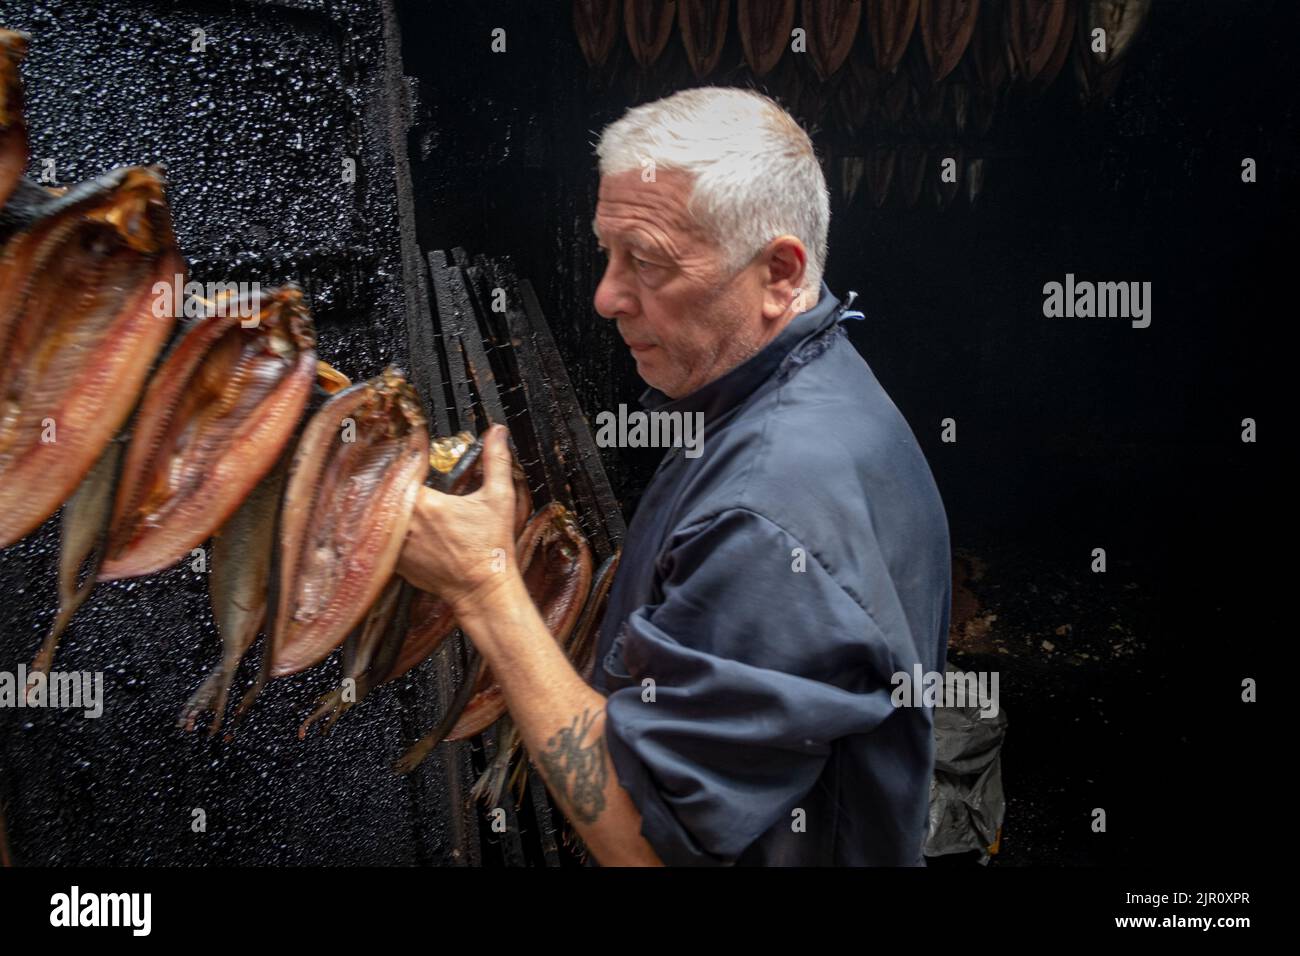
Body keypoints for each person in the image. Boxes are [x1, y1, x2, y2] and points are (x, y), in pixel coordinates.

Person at [397, 87, 951, 866]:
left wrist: (482, 585)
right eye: (607, 253)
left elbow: (649, 848)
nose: (605, 296)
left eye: (648, 262)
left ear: (779, 273)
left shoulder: (771, 509)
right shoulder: (805, 379)